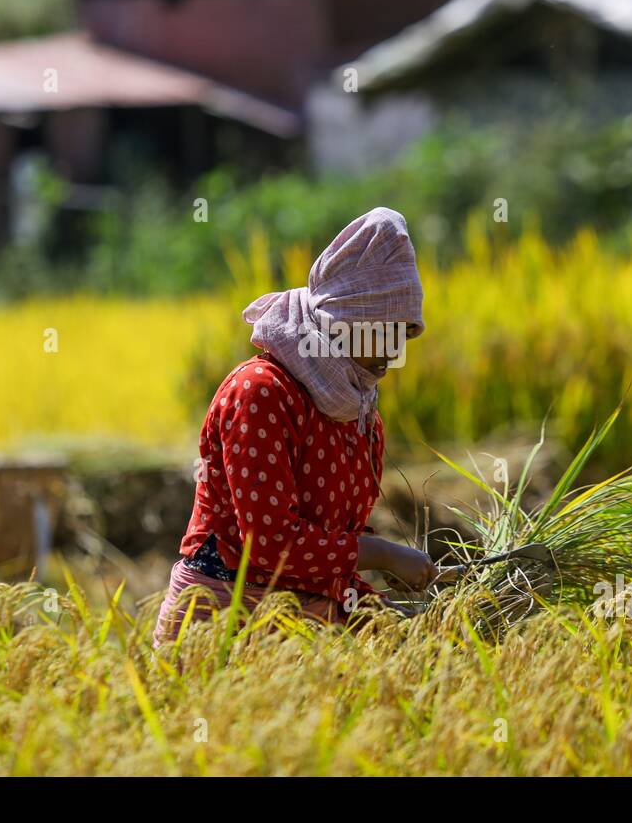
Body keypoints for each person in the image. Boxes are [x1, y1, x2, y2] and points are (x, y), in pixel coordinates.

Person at [154, 207, 437, 646]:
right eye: (383, 333)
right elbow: (271, 544)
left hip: (306, 640)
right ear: (341, 324)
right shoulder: (261, 393)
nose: (393, 353)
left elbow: (329, 558)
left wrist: (400, 611)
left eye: (403, 335)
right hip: (222, 630)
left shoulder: (358, 415)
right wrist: (383, 556)